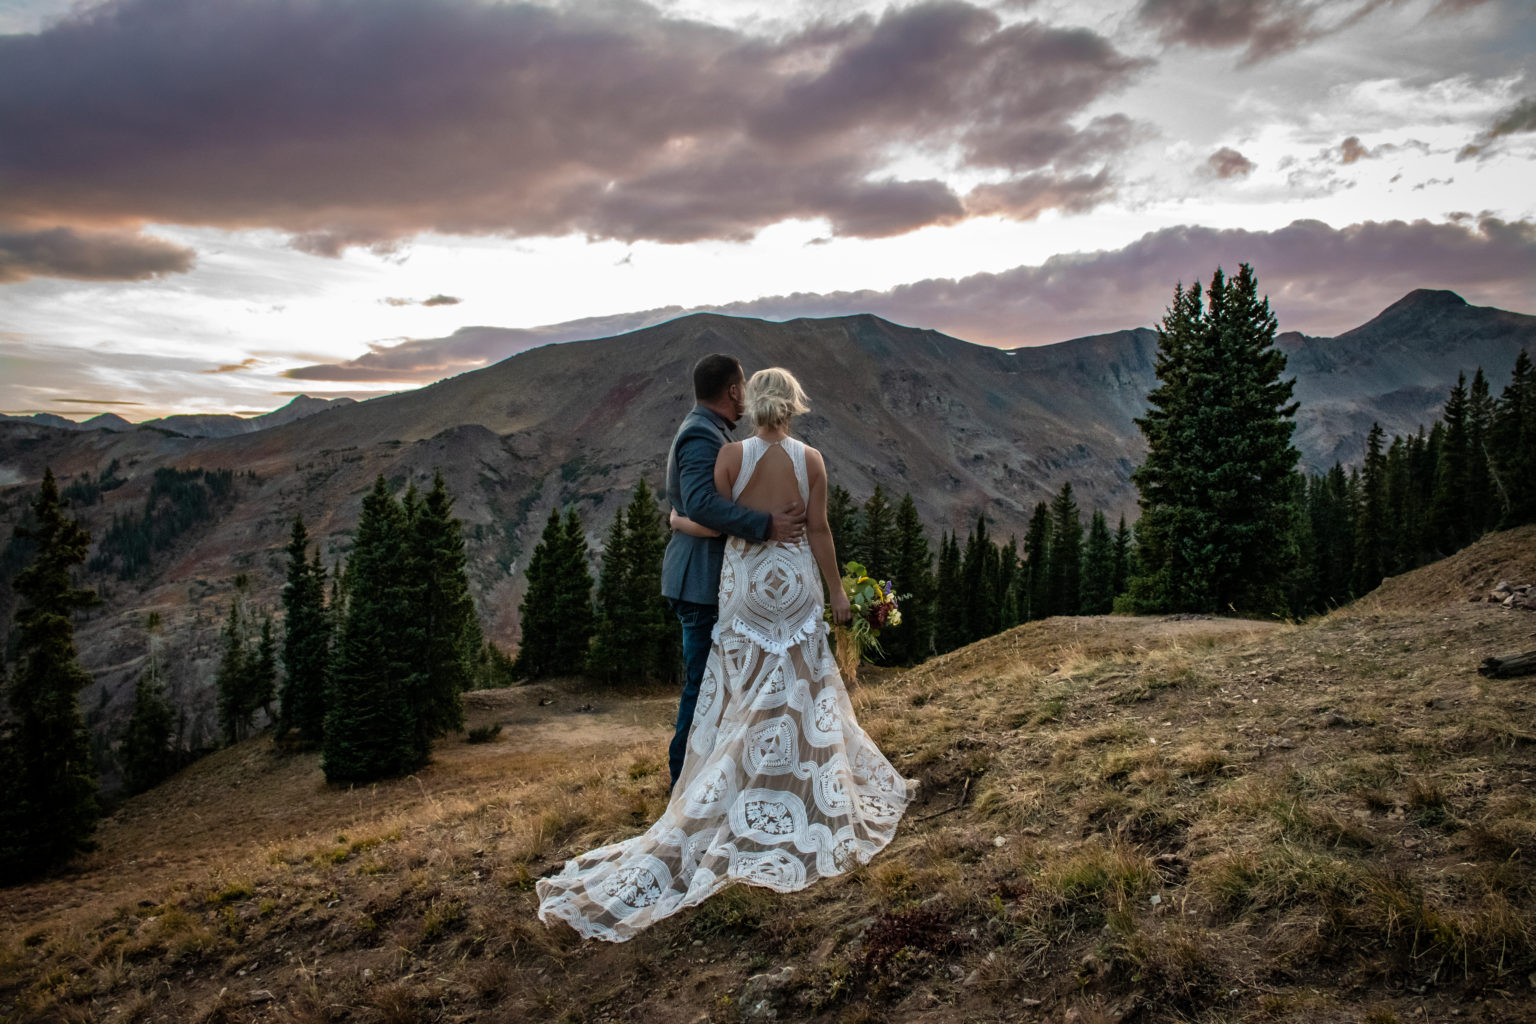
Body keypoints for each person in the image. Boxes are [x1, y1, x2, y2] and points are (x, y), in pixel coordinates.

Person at [536, 367, 915, 942]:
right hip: (794, 590)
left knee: (741, 694)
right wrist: (837, 592)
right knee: (802, 690)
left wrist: (677, 518)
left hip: (743, 597)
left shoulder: (730, 457)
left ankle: (727, 791)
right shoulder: (811, 459)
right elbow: (820, 532)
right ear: (792, 404)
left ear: (753, 401)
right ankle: (794, 791)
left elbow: (707, 514)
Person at [657, 354, 805, 792]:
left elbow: (689, 510)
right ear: (734, 391)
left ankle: (707, 776)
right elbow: (700, 502)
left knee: (713, 685)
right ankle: (681, 783)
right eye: (743, 385)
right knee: (702, 686)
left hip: (706, 578)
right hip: (699, 581)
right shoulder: (702, 434)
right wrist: (765, 525)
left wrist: (679, 520)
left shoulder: (710, 430)